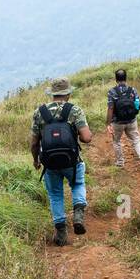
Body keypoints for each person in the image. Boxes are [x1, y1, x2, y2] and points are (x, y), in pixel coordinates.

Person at [31, 78, 94, 246]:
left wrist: (36, 160)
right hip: (72, 161)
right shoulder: (74, 110)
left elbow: (34, 142)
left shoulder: (40, 112)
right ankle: (78, 213)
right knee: (78, 184)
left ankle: (61, 232)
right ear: (68, 94)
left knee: (55, 194)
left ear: (52, 94)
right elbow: (87, 138)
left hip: (50, 164)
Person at [106, 68, 140, 171]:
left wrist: (108, 124)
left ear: (116, 79)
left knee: (117, 141)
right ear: (126, 78)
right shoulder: (132, 90)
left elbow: (110, 108)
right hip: (131, 121)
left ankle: (120, 163)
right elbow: (139, 106)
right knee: (136, 140)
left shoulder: (112, 92)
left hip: (117, 123)